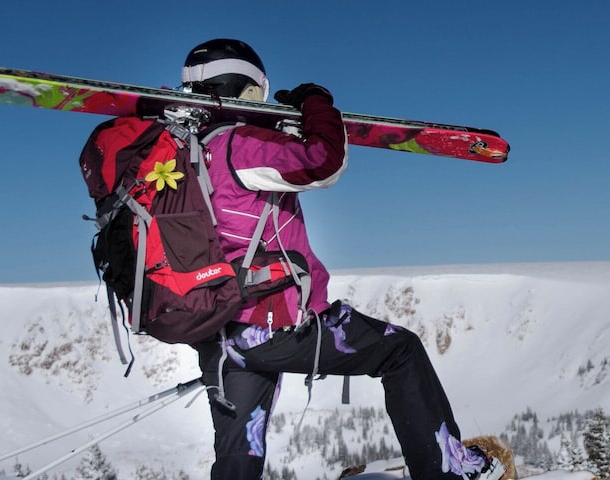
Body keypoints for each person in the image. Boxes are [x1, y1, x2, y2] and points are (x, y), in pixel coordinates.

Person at [164, 38, 505, 480]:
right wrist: (316, 104)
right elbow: (323, 161)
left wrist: (285, 130)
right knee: (401, 351)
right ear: (246, 88)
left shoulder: (184, 152)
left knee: (238, 451)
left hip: (218, 330)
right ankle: (450, 471)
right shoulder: (240, 145)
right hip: (273, 324)